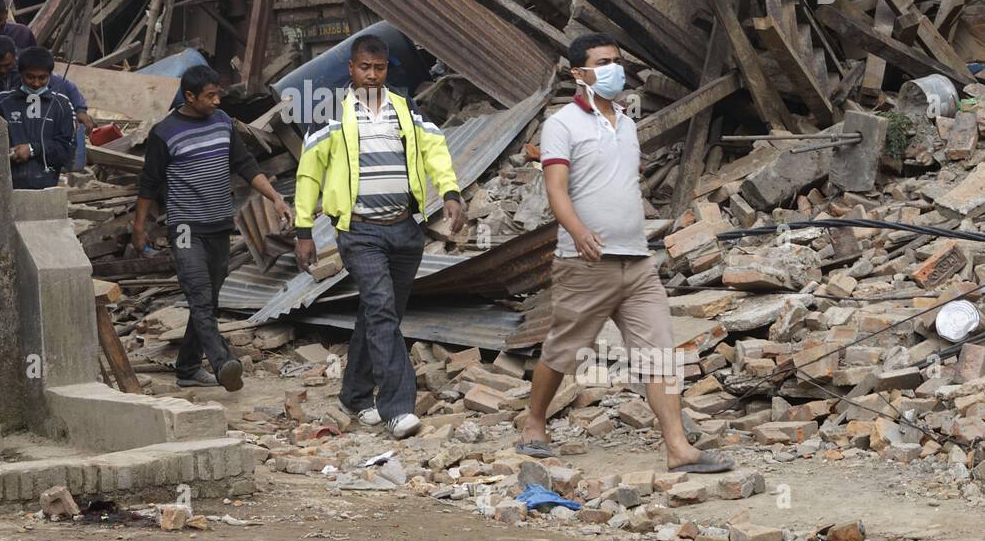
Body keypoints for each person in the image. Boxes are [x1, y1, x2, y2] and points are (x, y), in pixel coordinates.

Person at [518, 33, 733, 474]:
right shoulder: (562, 124)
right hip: (586, 263)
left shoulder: (627, 121)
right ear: (580, 73)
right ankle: (534, 423)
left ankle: (677, 447)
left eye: (618, 60)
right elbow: (556, 189)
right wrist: (577, 231)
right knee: (564, 349)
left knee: (659, 353)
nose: (615, 68)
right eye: (603, 62)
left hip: (637, 262)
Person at [293, 35, 466, 440]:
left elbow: (435, 149)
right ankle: (397, 407)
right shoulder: (331, 115)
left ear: (387, 69)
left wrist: (451, 191)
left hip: (405, 229)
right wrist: (304, 230)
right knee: (383, 310)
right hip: (360, 230)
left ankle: (353, 395)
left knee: (381, 315)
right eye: (364, 68)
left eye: (380, 68)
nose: (372, 75)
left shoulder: (406, 109)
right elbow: (308, 174)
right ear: (351, 70)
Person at [135, 66, 293, 392]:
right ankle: (222, 362)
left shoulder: (223, 123)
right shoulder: (165, 133)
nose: (217, 100)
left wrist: (276, 197)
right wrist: (140, 227)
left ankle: (188, 368)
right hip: (185, 227)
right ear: (190, 97)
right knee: (200, 294)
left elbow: (246, 166)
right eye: (210, 96)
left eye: (218, 93)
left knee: (207, 298)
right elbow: (148, 185)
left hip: (220, 224)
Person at [0, 47, 77, 190]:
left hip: (45, 189)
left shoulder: (62, 105)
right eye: (30, 77)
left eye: (42, 77)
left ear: (50, 75)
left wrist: (33, 149)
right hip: (3, 188)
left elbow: (66, 151)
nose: (35, 83)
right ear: (20, 73)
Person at [0, 35, 96, 133]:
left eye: (7, 65)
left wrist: (80, 110)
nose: (3, 71)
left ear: (15, 58)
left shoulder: (27, 69)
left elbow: (66, 86)